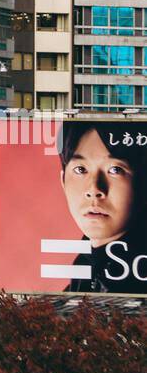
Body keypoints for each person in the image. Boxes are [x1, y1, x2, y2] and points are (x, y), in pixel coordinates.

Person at [58, 121, 147, 293]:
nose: (94, 189)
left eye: (115, 170)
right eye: (80, 170)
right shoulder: (87, 262)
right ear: (63, 181)